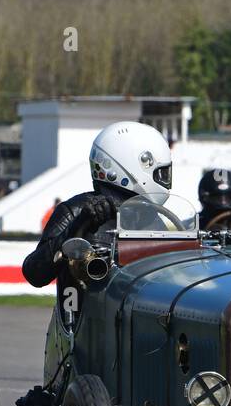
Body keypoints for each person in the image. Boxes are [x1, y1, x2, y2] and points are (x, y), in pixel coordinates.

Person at [22, 122, 172, 287]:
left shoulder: (149, 215)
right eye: (161, 172)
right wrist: (76, 229)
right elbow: (34, 273)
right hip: (86, 312)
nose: (164, 179)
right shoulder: (77, 210)